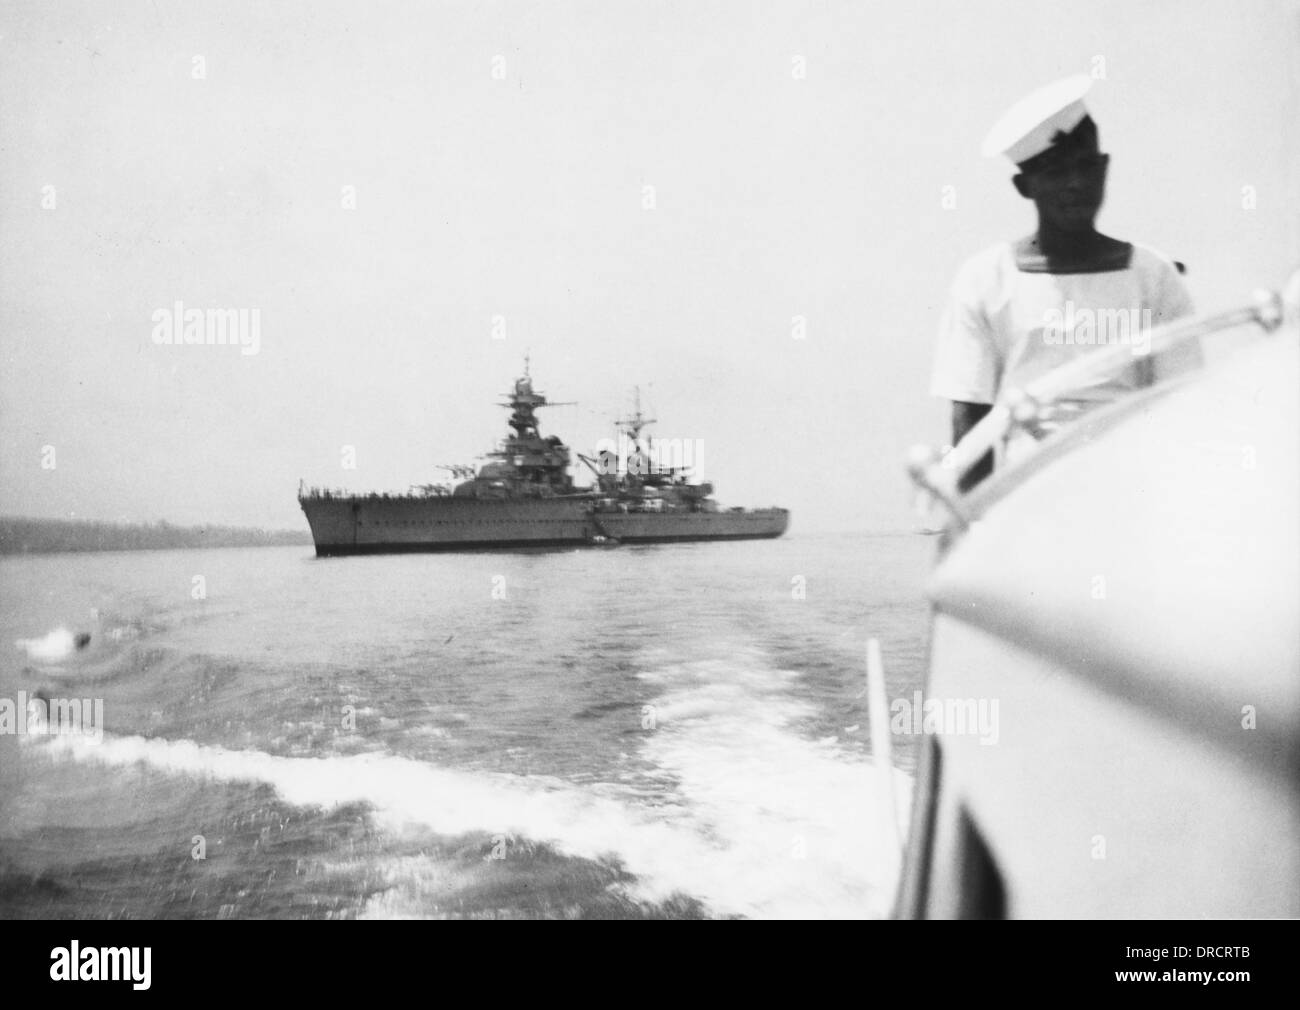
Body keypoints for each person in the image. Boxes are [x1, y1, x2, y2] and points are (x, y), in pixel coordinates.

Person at [931, 75, 1200, 490]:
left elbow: (1181, 405)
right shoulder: (985, 280)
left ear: (1104, 167)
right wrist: (974, 525)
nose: (1075, 184)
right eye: (1055, 172)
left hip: (1130, 493)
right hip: (1028, 499)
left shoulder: (1154, 276)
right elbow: (971, 423)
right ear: (1025, 186)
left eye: (1085, 166)